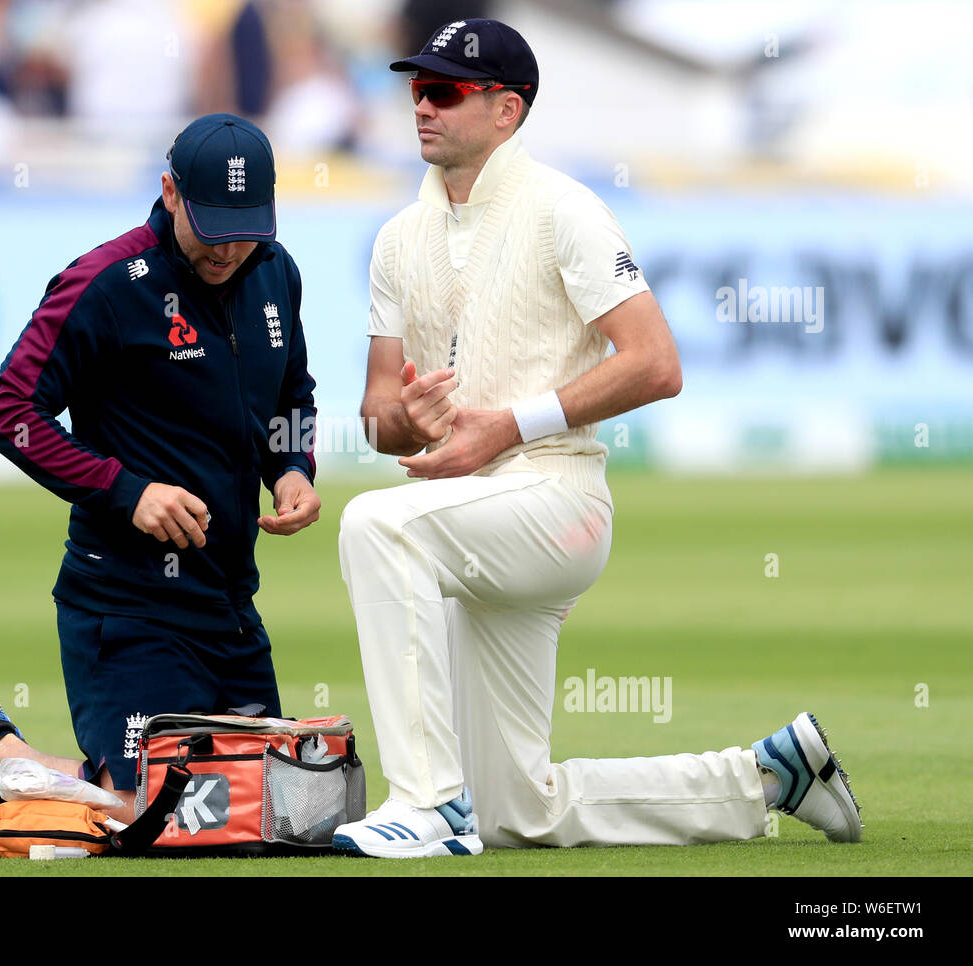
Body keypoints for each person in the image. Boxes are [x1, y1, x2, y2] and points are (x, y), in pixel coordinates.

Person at [330, 19, 861, 857]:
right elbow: (377, 412)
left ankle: (426, 801)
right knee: (514, 813)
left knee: (372, 522)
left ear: (507, 110)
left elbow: (657, 363)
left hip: (557, 500)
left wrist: (505, 424)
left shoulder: (564, 209)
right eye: (415, 90)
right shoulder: (399, 239)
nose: (421, 107)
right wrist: (415, 415)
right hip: (471, 516)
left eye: (443, 91)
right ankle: (767, 776)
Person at [0, 113, 320, 849]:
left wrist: (291, 468)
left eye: (247, 226)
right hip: (125, 607)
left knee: (268, 816)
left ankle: (26, 765)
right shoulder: (104, 283)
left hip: (229, 603)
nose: (230, 246)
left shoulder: (275, 271)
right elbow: (9, 412)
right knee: (162, 819)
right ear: (168, 192)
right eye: (213, 224)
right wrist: (127, 489)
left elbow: (293, 394)